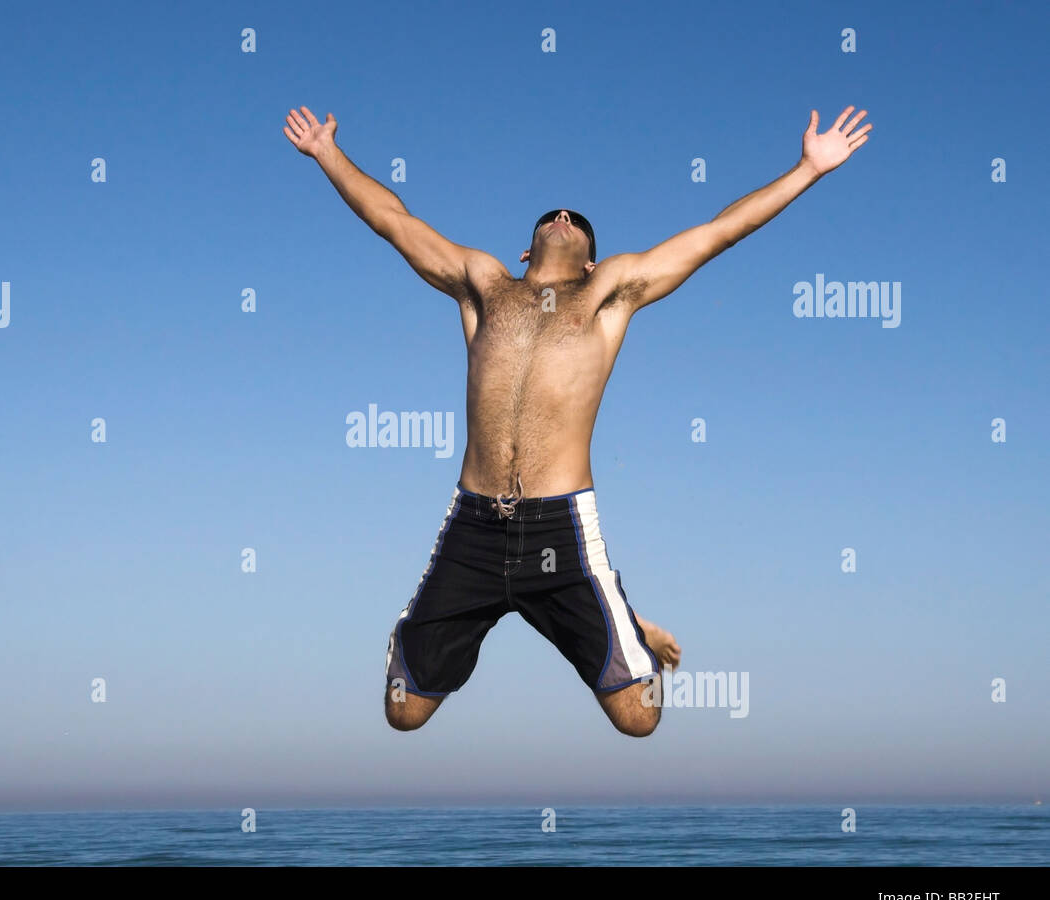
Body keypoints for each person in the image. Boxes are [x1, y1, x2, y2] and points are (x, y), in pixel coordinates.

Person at [283, 105, 871, 736]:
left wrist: (807, 169)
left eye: (578, 220)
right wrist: (327, 154)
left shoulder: (607, 293)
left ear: (592, 257)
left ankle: (617, 616)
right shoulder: (482, 283)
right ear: (524, 247)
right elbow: (393, 222)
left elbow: (716, 233)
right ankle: (591, 614)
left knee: (638, 717)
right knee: (404, 712)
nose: (563, 218)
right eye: (551, 215)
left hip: (561, 527)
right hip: (472, 526)